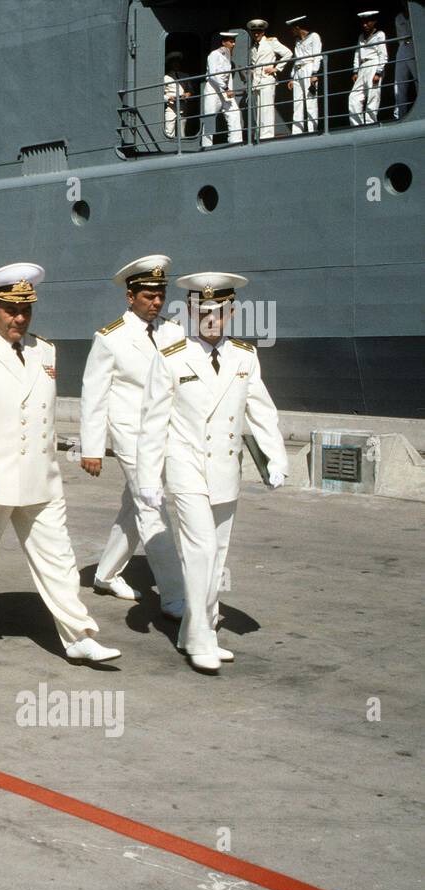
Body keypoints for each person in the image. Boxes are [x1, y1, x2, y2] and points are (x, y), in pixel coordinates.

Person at [0, 264, 119, 664]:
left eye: (25, 310)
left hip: (41, 477)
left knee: (58, 558)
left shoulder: (45, 350)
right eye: (10, 310)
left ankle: (78, 635)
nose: (19, 318)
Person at [136, 273, 288, 674]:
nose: (210, 319)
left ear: (231, 312)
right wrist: (149, 479)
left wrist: (276, 458)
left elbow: (261, 410)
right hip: (186, 467)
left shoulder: (244, 357)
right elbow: (152, 423)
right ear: (189, 312)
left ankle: (193, 630)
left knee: (217, 555)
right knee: (201, 550)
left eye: (218, 312)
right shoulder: (170, 357)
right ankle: (203, 639)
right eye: (202, 312)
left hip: (225, 468)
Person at [78, 255, 185, 618]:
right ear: (130, 296)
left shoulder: (174, 333)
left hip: (167, 433)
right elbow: (94, 397)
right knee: (152, 507)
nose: (156, 302)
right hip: (132, 437)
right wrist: (92, 448)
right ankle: (175, 594)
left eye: (161, 294)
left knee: (134, 505)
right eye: (148, 295)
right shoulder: (110, 339)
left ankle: (106, 574)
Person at [246, 19, 293, 140]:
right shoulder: (253, 47)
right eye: (254, 32)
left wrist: (276, 68)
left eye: (259, 32)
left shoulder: (271, 42)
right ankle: (260, 135)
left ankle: (267, 136)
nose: (256, 34)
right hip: (256, 82)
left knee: (266, 108)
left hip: (267, 80)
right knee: (259, 110)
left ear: (263, 32)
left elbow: (288, 53)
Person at [202, 32, 244, 147]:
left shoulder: (228, 56)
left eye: (234, 41)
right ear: (223, 42)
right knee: (209, 118)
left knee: (234, 113)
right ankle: (207, 146)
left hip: (225, 90)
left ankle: (235, 142)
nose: (233, 44)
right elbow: (213, 74)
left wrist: (229, 89)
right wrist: (226, 88)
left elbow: (228, 76)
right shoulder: (214, 54)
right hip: (213, 89)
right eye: (231, 41)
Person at [286, 15, 324, 134]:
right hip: (298, 71)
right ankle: (297, 131)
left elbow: (317, 56)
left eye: (292, 29)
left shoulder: (314, 36)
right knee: (297, 102)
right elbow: (297, 58)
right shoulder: (297, 41)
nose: (291, 32)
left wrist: (315, 73)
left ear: (297, 28)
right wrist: (292, 77)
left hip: (309, 68)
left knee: (310, 100)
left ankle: (312, 129)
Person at [350, 11, 389, 126]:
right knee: (353, 97)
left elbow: (383, 55)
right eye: (363, 23)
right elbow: (357, 54)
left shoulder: (380, 34)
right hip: (362, 67)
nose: (365, 25)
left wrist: (379, 72)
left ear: (374, 22)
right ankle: (357, 125)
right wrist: (355, 70)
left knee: (373, 96)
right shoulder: (361, 37)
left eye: (367, 22)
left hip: (374, 65)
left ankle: (370, 123)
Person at [393, 5, 415, 120]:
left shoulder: (414, 15)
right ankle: (400, 115)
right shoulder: (399, 18)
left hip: (414, 47)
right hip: (402, 48)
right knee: (399, 84)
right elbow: (399, 37)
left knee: (418, 80)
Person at [164, 52, 194, 140]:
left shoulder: (185, 76)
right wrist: (169, 98)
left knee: (182, 132)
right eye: (173, 62)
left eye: (177, 62)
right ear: (170, 64)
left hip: (182, 106)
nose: (176, 64)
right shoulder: (165, 78)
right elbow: (160, 94)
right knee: (169, 130)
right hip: (171, 107)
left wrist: (187, 94)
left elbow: (190, 90)